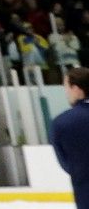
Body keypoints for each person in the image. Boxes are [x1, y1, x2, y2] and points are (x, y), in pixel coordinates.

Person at [51, 67, 89, 209]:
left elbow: (66, 162)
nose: (66, 92)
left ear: (77, 89)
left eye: (67, 87)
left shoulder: (62, 122)